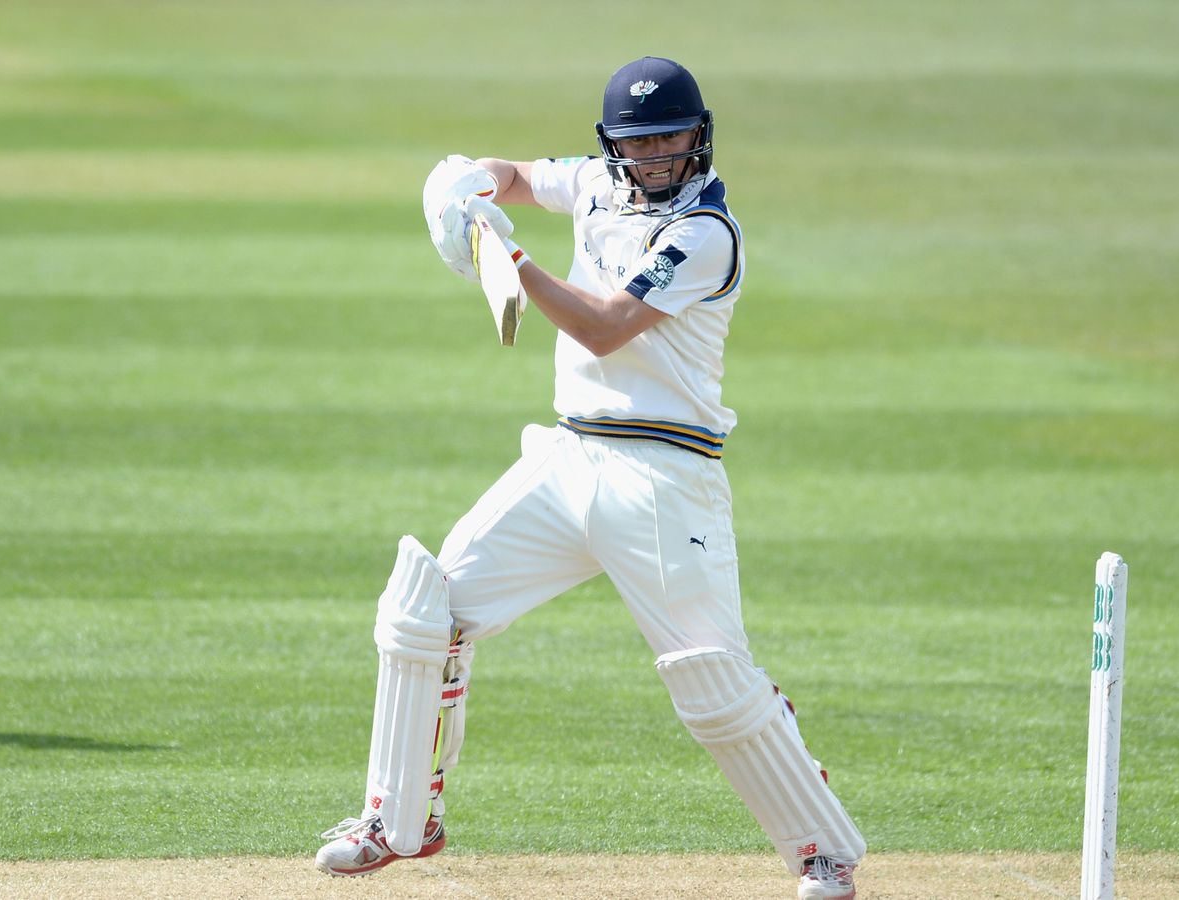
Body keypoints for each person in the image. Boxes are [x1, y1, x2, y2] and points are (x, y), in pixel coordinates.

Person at [313, 56, 865, 899]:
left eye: (671, 138)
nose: (654, 157)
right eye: (638, 142)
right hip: (569, 457)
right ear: (613, 144)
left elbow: (608, 328)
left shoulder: (706, 233)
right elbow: (518, 176)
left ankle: (822, 848)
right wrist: (467, 188)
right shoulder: (598, 184)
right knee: (428, 611)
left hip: (665, 475)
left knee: (713, 679)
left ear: (700, 136)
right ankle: (399, 821)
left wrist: (515, 261)